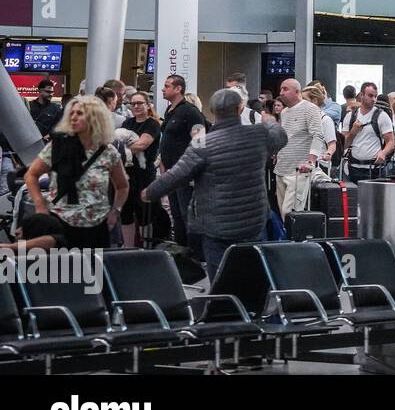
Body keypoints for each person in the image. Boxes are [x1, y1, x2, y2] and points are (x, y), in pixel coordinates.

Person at [144, 89, 287, 281]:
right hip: (252, 220)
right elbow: (280, 136)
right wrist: (269, 120)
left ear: (212, 111)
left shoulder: (203, 143)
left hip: (216, 224)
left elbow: (177, 175)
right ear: (240, 108)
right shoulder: (258, 135)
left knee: (221, 281)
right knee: (251, 277)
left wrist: (149, 192)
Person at [23, 95, 129, 249]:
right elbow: (31, 175)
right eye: (71, 113)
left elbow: (122, 186)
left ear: (95, 118)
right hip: (60, 222)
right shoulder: (58, 146)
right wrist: (40, 205)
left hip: (96, 226)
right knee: (62, 264)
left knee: (92, 264)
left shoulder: (108, 152)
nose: (73, 118)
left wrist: (115, 212)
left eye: (79, 113)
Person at [158, 74, 208, 247]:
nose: (163, 89)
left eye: (167, 86)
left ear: (178, 89)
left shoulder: (190, 111)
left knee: (187, 213)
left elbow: (200, 142)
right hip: (171, 172)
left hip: (185, 172)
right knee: (176, 214)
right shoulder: (170, 111)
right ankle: (181, 250)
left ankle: (195, 251)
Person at [272, 78, 327, 217]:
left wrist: (310, 161)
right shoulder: (284, 112)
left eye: (285, 89)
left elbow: (318, 136)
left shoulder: (310, 109)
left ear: (297, 92)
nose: (281, 92)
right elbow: (286, 137)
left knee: (291, 214)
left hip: (298, 171)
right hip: (281, 169)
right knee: (283, 214)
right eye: (281, 89)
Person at [120, 91, 163, 247]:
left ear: (148, 105)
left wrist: (123, 149)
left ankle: (147, 249)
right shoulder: (127, 123)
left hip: (144, 176)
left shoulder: (153, 124)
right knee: (126, 214)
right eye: (133, 104)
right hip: (127, 175)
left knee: (145, 214)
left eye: (140, 103)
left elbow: (142, 145)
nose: (136, 106)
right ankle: (128, 249)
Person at [342, 82, 395, 183]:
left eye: (375, 96)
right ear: (361, 95)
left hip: (374, 168)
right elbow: (343, 144)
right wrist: (353, 132)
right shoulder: (350, 116)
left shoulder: (382, 116)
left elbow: (391, 142)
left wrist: (383, 153)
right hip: (353, 168)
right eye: (370, 96)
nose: (374, 99)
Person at [302, 84, 338, 168]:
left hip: (319, 165)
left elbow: (332, 144)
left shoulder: (325, 120)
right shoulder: (302, 119)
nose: (301, 103)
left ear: (314, 100)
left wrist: (328, 154)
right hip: (302, 163)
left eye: (304, 99)